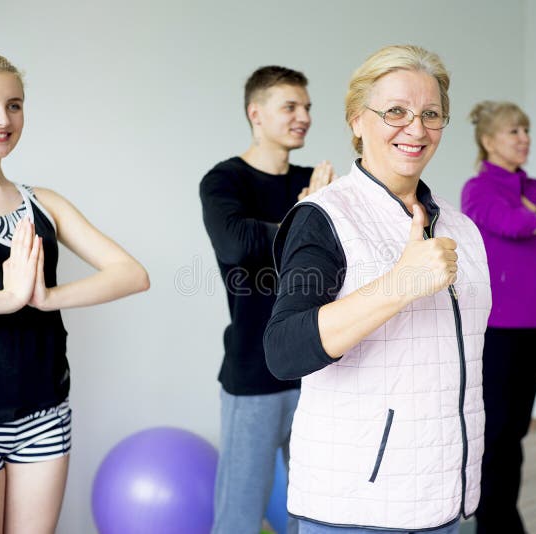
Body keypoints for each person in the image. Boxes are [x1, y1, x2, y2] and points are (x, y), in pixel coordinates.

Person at [264, 45, 491, 533]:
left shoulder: (463, 229)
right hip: (356, 509)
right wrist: (402, 284)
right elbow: (284, 350)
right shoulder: (323, 218)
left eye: (432, 114)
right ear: (356, 121)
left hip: (447, 498)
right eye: (395, 112)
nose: (416, 128)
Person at [0, 52, 149, 534]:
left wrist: (47, 297)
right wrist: (4, 299)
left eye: (15, 105)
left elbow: (131, 273)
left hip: (44, 412)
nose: (2, 119)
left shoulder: (44, 202)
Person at [199, 65, 334, 534]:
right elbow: (235, 243)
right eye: (290, 107)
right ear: (256, 113)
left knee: (320, 511)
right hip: (253, 373)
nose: (304, 117)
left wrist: (305, 218)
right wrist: (304, 217)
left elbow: (340, 260)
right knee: (239, 515)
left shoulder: (316, 181)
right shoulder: (223, 181)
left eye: (308, 107)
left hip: (317, 369)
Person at [460, 100, 536, 533]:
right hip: (494, 329)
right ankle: (495, 523)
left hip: (533, 326)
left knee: (513, 434)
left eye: (526, 130)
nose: (524, 138)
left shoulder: (533, 188)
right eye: (514, 131)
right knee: (493, 436)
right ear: (489, 140)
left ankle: (500, 519)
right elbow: (513, 225)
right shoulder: (477, 190)